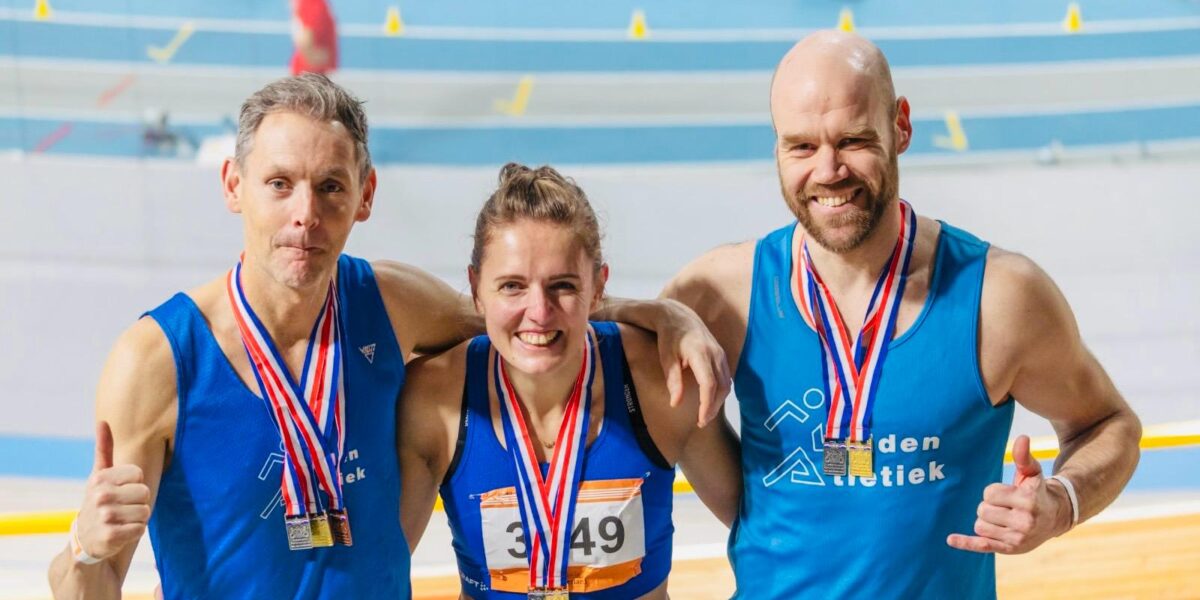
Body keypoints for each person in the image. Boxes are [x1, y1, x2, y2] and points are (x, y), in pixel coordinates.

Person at [46, 74, 730, 599]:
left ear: (365, 197)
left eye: (330, 188)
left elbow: (526, 315)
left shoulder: (389, 304)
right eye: (279, 184)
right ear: (234, 185)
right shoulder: (157, 361)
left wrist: (662, 314)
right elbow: (91, 585)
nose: (305, 215)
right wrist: (84, 548)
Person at [662, 31, 1142, 598]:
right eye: (801, 147)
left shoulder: (999, 298)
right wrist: (653, 313)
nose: (828, 170)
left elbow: (1111, 426)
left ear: (901, 126)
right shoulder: (719, 294)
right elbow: (578, 342)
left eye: (853, 139)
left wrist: (1060, 504)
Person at [398, 164, 741, 599]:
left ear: (598, 287)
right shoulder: (434, 402)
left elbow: (763, 531)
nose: (538, 312)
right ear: (476, 287)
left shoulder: (664, 385)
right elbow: (374, 570)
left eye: (561, 285)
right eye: (512, 286)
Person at [290, 0, 337, 76]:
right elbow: (305, 36)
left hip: (310, 72)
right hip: (309, 73)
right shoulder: (311, 3)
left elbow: (305, 35)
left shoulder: (311, 3)